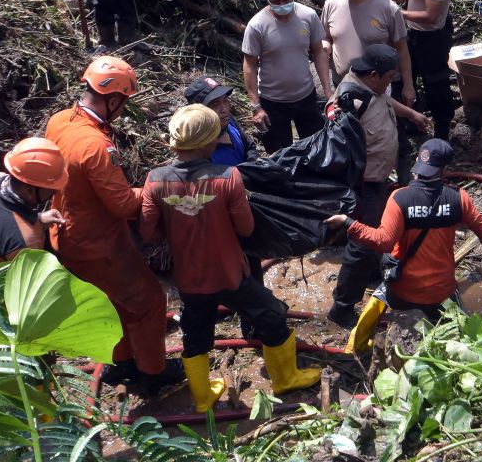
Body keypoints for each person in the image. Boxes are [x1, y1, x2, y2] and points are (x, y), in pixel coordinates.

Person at [139, 105, 321, 412]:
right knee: (272, 314)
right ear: (207, 142)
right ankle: (286, 378)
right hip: (229, 273)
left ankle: (202, 397)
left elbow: (148, 233)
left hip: (189, 278)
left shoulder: (155, 180)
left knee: (195, 333)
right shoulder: (228, 178)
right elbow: (246, 228)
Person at [45, 56, 182, 391]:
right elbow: (122, 203)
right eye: (123, 103)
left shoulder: (60, 121)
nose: (123, 110)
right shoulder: (95, 145)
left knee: (110, 302)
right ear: (113, 100)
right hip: (99, 243)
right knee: (148, 301)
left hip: (66, 233)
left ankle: (120, 362)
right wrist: (156, 188)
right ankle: (151, 373)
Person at [324, 138, 482, 352]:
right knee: (458, 330)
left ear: (418, 163)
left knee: (381, 293)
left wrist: (347, 222)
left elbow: (382, 241)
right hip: (441, 292)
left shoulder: (399, 198)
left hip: (402, 292)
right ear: (443, 170)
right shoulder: (459, 199)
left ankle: (354, 348)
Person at [327, 45, 429, 329]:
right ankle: (343, 307)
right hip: (362, 185)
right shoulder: (349, 99)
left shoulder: (370, 88)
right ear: (373, 74)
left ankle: (370, 274)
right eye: (389, 78)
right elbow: (336, 146)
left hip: (377, 179)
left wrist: (410, 114)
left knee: (374, 238)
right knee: (364, 242)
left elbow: (384, 101)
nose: (391, 83)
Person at [371, 0, 455, 140]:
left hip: (432, 37)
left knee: (435, 82)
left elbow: (430, 16)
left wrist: (398, 14)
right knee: (404, 78)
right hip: (414, 33)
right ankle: (409, 123)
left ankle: (441, 130)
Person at [242, 0, 334, 152]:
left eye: (286, 0)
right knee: (279, 154)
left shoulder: (308, 16)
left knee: (314, 148)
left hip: (305, 96)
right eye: (276, 1)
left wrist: (328, 91)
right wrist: (255, 106)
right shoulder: (257, 25)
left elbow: (319, 52)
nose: (282, 5)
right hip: (271, 101)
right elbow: (249, 65)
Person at [0, 138, 68, 278]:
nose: (54, 192)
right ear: (29, 190)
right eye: (51, 189)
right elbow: (30, 289)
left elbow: (0, 222)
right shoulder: (27, 242)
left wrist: (37, 219)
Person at [322, 0, 414, 102]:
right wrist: (325, 46)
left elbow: (402, 49)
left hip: (381, 90)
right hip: (343, 87)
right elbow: (327, 37)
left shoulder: (388, 9)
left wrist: (408, 86)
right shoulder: (331, 3)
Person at [184, 75, 259, 167]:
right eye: (215, 105)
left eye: (225, 100)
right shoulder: (200, 148)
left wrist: (251, 167)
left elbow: (249, 145)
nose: (224, 109)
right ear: (199, 111)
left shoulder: (228, 120)